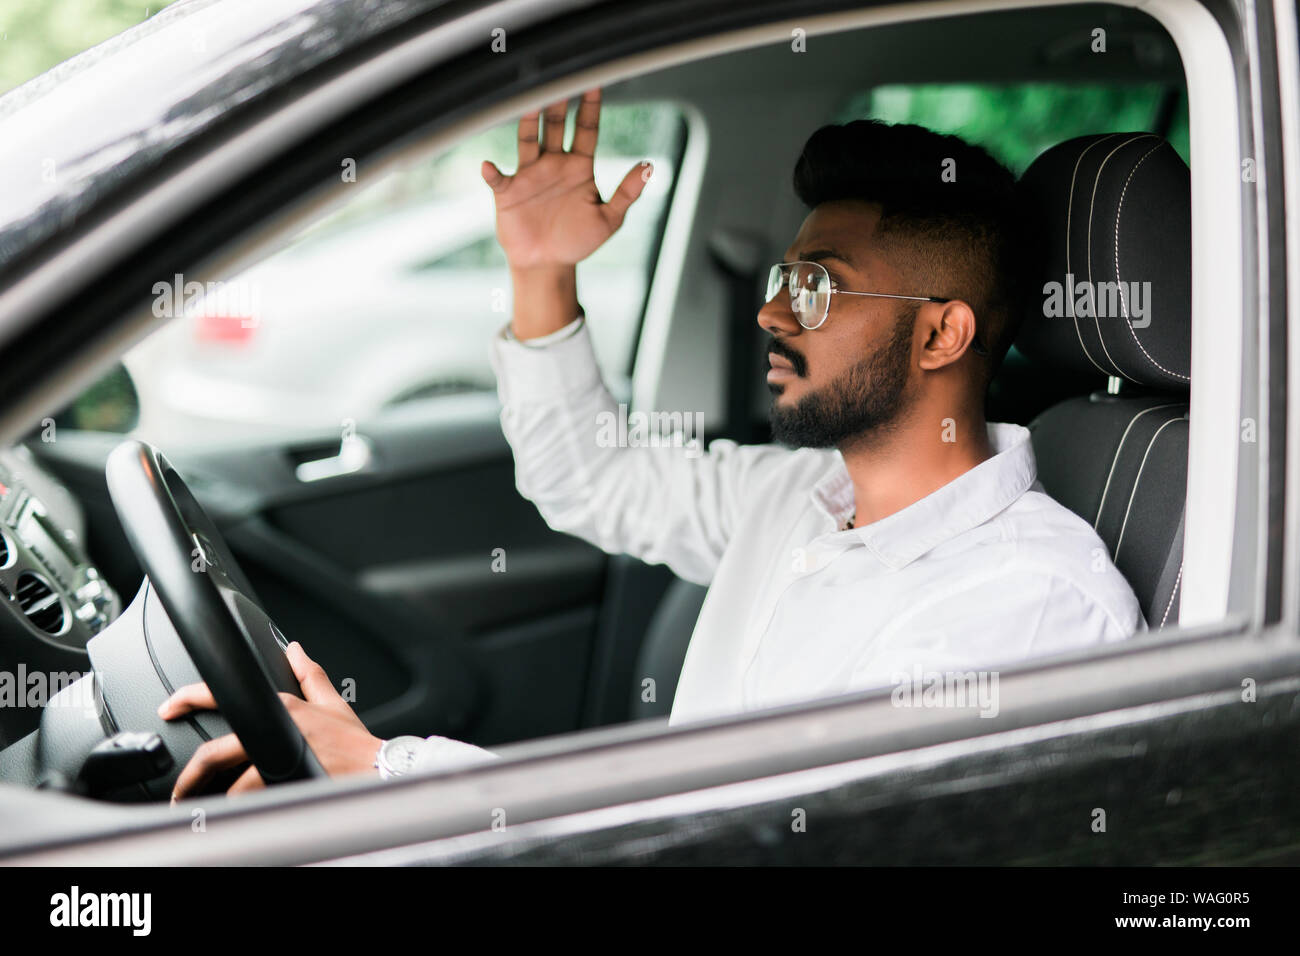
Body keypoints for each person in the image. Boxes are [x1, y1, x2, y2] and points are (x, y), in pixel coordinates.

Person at [164, 87, 1144, 799]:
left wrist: (386, 765)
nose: (767, 313)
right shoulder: (801, 494)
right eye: (776, 279)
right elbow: (589, 477)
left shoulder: (1023, 602)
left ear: (940, 332)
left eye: (814, 286)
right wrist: (542, 272)